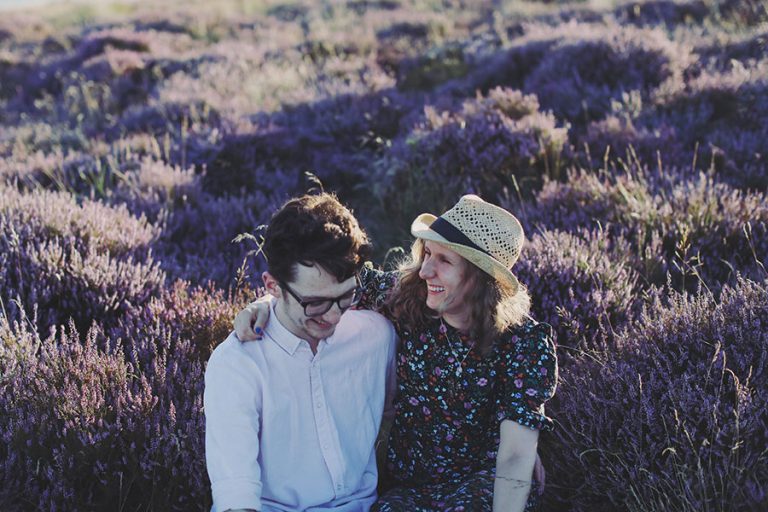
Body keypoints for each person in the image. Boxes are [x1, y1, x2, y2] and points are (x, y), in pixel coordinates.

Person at [236, 194, 558, 512]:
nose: (425, 271)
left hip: (481, 482)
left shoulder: (522, 344)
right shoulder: (408, 299)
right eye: (428, 253)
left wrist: (520, 467)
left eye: (445, 261)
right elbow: (321, 285)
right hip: (408, 489)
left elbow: (515, 456)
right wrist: (264, 303)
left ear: (482, 278)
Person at [205, 193, 397, 512]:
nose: (334, 316)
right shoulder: (237, 366)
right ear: (273, 286)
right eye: (315, 303)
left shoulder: (377, 336)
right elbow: (236, 496)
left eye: (346, 296)